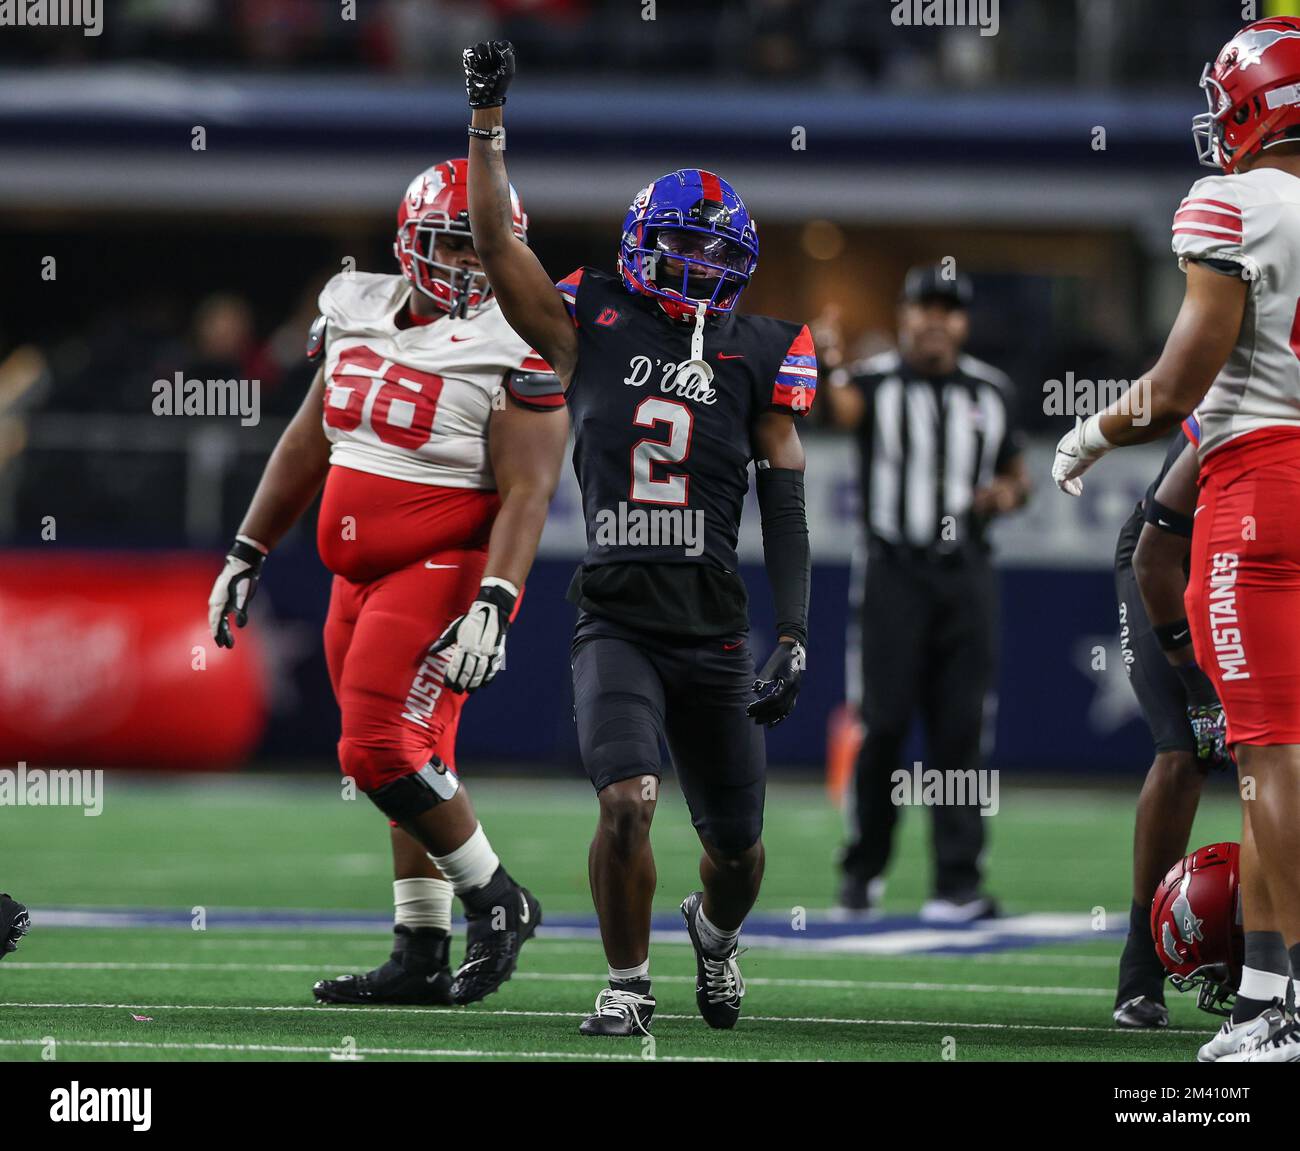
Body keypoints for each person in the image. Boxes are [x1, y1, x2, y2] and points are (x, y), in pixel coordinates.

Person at [461, 40, 815, 1037]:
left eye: (718, 254)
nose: (702, 268)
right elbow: (496, 249)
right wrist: (486, 115)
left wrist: (790, 631)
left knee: (738, 852)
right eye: (684, 246)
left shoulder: (763, 348)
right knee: (626, 798)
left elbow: (784, 495)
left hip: (711, 627)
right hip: (615, 617)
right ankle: (625, 979)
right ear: (640, 242)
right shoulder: (593, 317)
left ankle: (712, 929)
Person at [208, 158, 569, 1007]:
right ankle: (421, 948)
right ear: (410, 242)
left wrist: (496, 602)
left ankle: (499, 900)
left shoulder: (519, 338)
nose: (472, 267)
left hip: (441, 567)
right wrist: (248, 547)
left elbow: (530, 490)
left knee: (374, 751)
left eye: (487, 249)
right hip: (352, 578)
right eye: (455, 245)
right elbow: (307, 440)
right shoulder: (354, 304)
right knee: (413, 759)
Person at [1052, 16, 1300, 1061]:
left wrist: (1092, 429)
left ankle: (1269, 1002)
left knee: (1266, 761)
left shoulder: (1234, 202)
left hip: (1258, 494)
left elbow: (1174, 391)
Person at [825, 266, 1030, 921]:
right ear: (905, 314)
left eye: (948, 309)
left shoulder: (990, 390)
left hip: (965, 571)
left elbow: (1016, 470)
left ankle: (957, 882)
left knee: (960, 730)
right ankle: (862, 872)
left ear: (963, 322)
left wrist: (1005, 495)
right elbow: (840, 407)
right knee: (882, 724)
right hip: (894, 572)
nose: (936, 320)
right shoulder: (875, 381)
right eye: (925, 308)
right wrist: (828, 361)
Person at [1111, 430, 1230, 1028]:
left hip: (1258, 569)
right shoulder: (1241, 394)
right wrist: (1199, 684)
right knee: (1186, 749)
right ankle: (1141, 967)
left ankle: (1269, 963)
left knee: (1275, 758)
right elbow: (1154, 557)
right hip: (1171, 560)